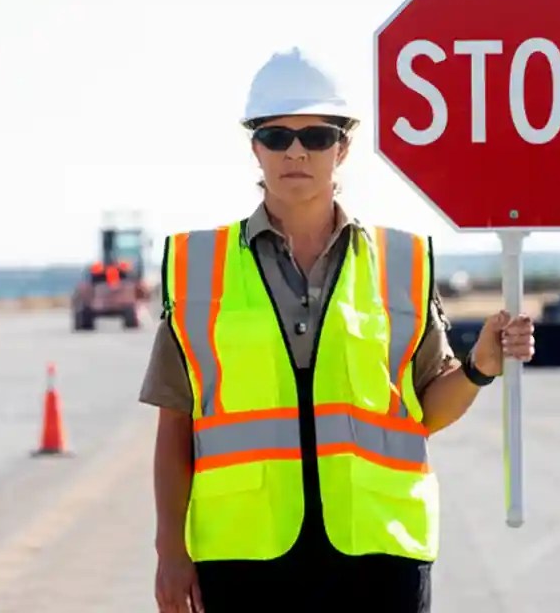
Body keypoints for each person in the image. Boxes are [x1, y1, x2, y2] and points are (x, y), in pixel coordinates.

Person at [139, 47, 536, 613]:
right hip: (243, 559)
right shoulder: (197, 266)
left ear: (342, 147)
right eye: (276, 136)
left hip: (378, 554)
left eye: (316, 136)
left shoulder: (402, 261)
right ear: (254, 146)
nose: (295, 150)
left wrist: (480, 367)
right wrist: (169, 548)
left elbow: (425, 410)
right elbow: (175, 423)